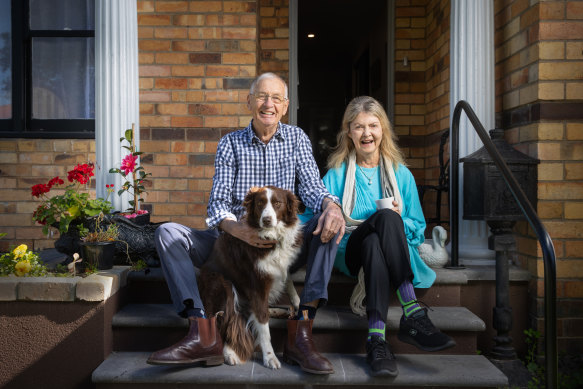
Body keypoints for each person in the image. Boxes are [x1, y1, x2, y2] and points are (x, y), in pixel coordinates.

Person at [147, 72, 345, 375]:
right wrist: (237, 229)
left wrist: (332, 207)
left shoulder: (296, 139)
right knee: (167, 233)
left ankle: (301, 333)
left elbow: (313, 190)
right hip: (231, 248)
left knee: (327, 222)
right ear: (249, 100)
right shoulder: (230, 144)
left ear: (286, 105)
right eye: (262, 97)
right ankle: (202, 331)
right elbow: (217, 203)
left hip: (278, 251)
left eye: (276, 98)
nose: (269, 104)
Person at [321, 96, 455, 377]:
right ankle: (412, 310)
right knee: (383, 219)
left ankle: (376, 341)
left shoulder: (401, 174)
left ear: (383, 130)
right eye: (358, 127)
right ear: (349, 132)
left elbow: (417, 229)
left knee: (377, 237)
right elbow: (315, 217)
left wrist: (397, 220)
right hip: (349, 250)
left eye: (373, 125)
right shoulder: (336, 174)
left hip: (378, 251)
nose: (366, 133)